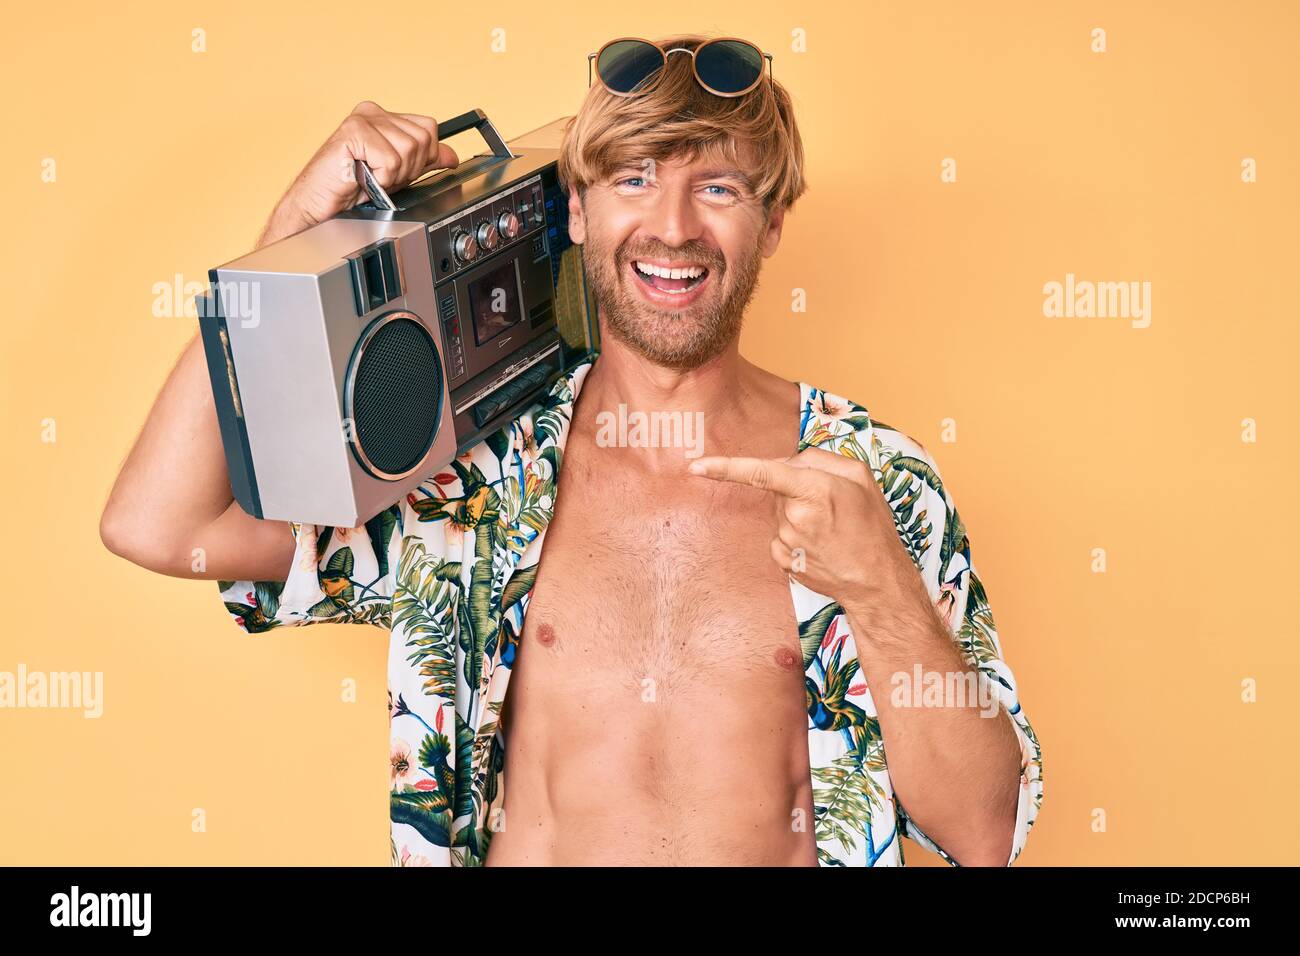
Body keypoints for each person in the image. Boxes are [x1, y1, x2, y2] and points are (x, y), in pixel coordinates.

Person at [101, 33, 1043, 867]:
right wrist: (290, 238)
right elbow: (158, 523)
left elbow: (982, 834)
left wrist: (881, 591)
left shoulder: (868, 479)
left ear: (774, 224)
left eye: (717, 188)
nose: (672, 227)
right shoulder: (471, 477)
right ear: (579, 211)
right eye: (633, 179)